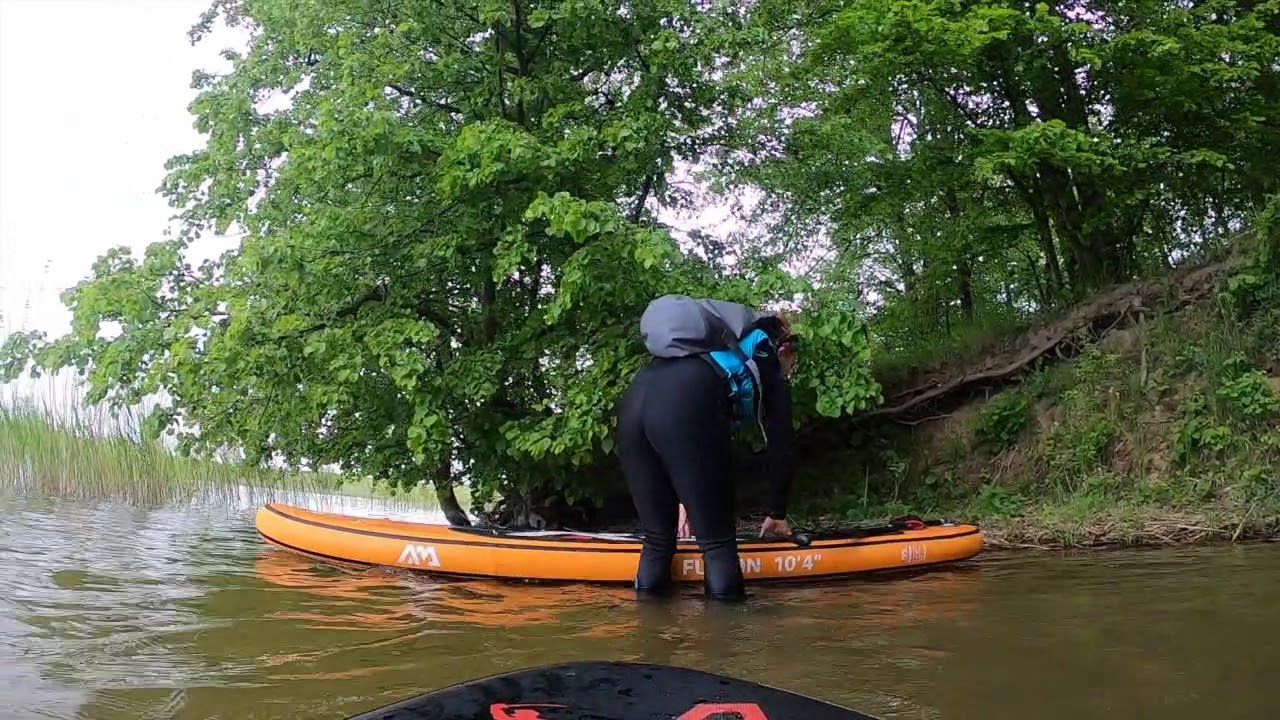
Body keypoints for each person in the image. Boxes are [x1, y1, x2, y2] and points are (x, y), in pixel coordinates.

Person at [615, 295, 800, 600]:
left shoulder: (702, 352)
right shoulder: (765, 351)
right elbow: (781, 442)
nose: (790, 368)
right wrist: (777, 513)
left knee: (658, 541)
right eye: (792, 360)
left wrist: (686, 500)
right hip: (683, 409)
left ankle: (648, 639)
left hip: (634, 402)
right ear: (785, 348)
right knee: (716, 544)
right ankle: (725, 642)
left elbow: (682, 439)